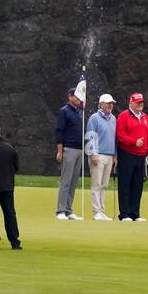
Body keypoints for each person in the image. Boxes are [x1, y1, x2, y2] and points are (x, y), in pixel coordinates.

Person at [115, 91, 148, 221]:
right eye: (138, 103)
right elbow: (120, 135)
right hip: (127, 153)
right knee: (125, 183)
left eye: (141, 102)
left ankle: (135, 214)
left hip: (141, 155)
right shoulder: (123, 116)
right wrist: (133, 142)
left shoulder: (145, 117)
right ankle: (124, 213)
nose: (140, 105)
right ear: (131, 103)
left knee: (138, 185)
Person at [53, 85, 85, 220]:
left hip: (79, 149)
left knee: (73, 181)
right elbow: (59, 131)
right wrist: (60, 151)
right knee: (65, 180)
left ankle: (68, 209)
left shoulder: (79, 112)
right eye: (76, 96)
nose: (79, 99)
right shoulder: (64, 111)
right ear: (70, 97)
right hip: (68, 149)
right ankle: (60, 210)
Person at [85, 94, 118, 221]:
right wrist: (93, 154)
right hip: (97, 155)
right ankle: (96, 212)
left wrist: (115, 155)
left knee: (104, 185)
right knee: (96, 184)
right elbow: (90, 136)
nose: (110, 105)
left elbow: (114, 139)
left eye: (112, 103)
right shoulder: (94, 118)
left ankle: (102, 211)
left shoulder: (113, 119)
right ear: (101, 104)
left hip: (109, 156)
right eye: (108, 103)